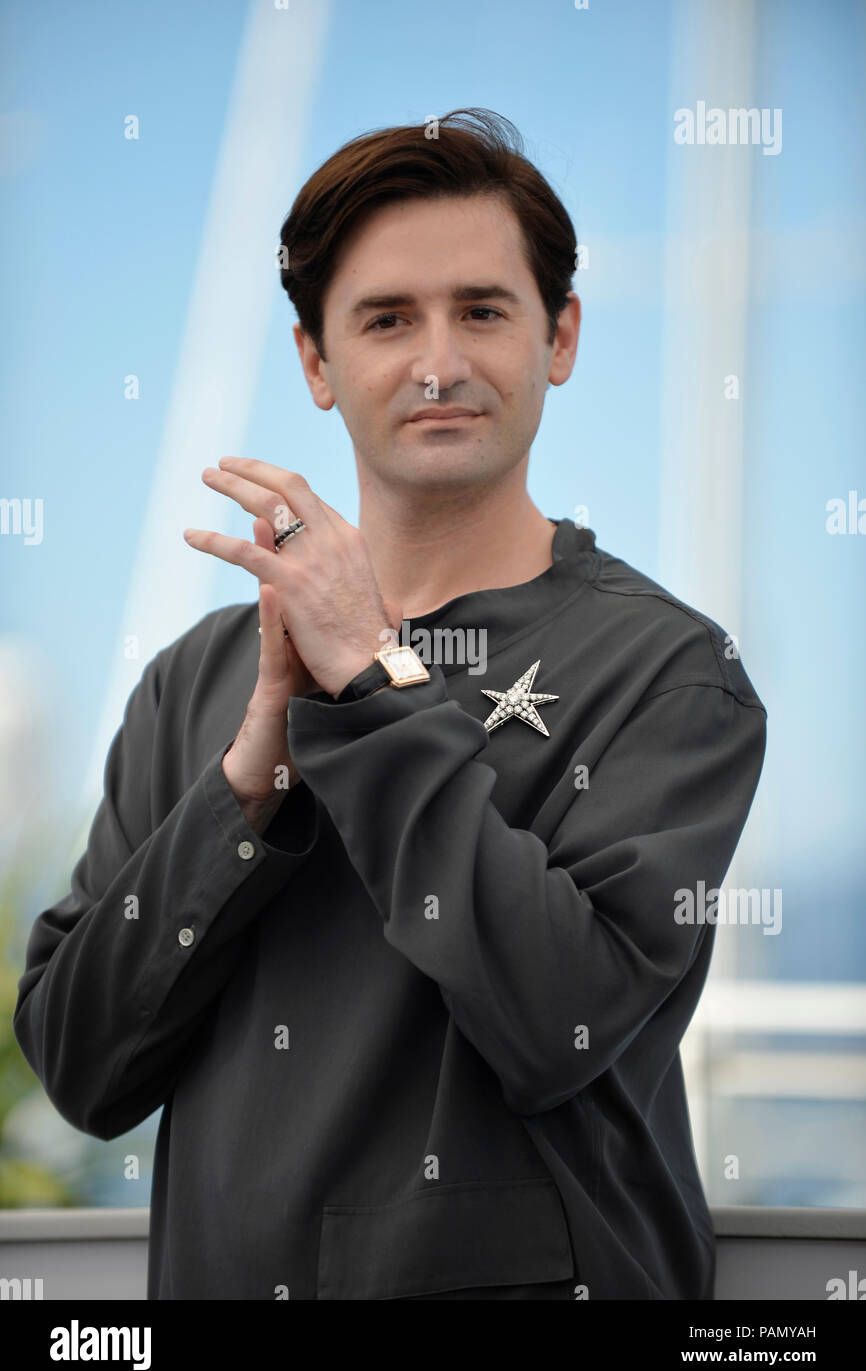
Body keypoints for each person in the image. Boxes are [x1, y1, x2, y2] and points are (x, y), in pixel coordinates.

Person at [13, 108, 766, 1300]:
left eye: (481, 309)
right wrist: (250, 777)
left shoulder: (669, 671)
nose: (436, 361)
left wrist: (370, 678)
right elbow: (80, 1066)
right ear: (315, 363)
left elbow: (557, 1020)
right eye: (384, 319)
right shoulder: (195, 680)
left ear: (557, 337)